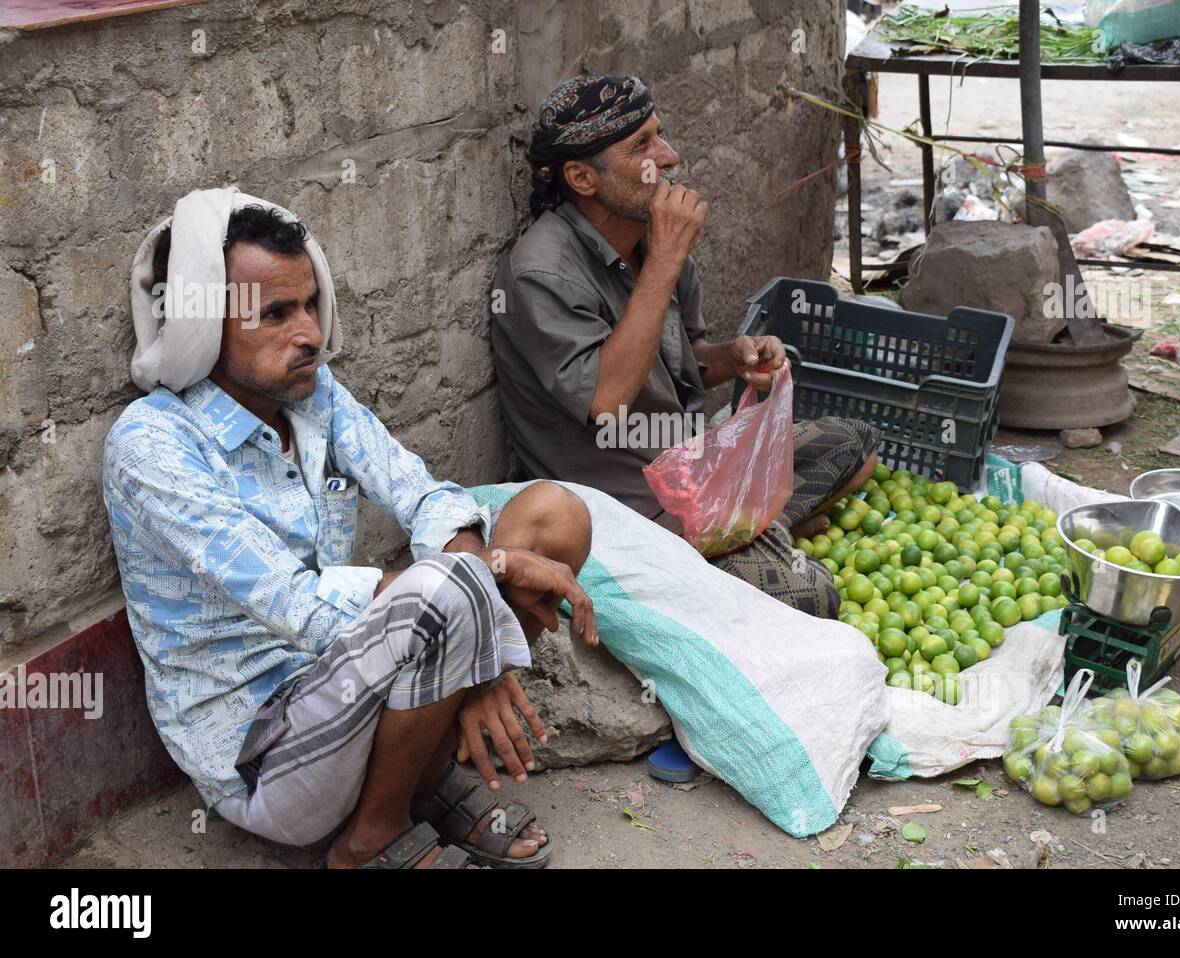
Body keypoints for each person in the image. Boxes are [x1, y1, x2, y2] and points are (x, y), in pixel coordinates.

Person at [103, 190, 594, 869]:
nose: (308, 332)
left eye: (309, 304)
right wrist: (479, 623)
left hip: (358, 686)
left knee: (552, 517)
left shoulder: (313, 395)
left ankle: (419, 781)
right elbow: (294, 601)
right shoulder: (153, 444)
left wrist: (476, 604)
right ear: (204, 323)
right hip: (268, 756)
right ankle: (372, 837)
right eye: (276, 314)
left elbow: (422, 494)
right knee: (446, 593)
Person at [489, 74, 882, 620]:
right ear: (581, 177)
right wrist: (666, 260)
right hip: (630, 505)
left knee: (856, 444)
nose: (669, 157)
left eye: (661, 136)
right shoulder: (542, 271)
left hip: (689, 461)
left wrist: (734, 356)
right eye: (643, 147)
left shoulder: (650, 236)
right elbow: (607, 402)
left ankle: (754, 532)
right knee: (814, 597)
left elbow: (679, 356)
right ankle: (740, 539)